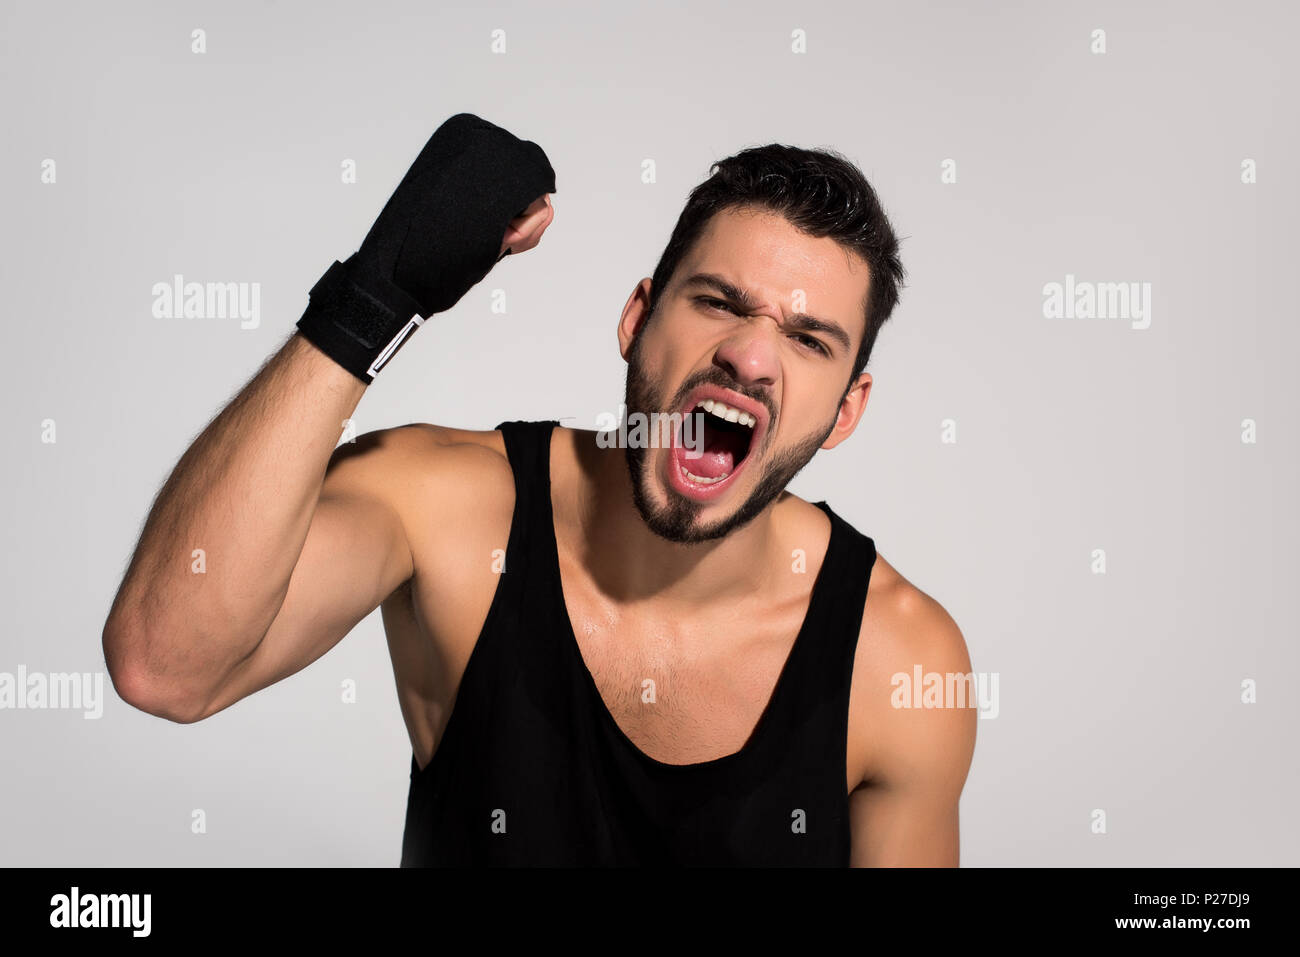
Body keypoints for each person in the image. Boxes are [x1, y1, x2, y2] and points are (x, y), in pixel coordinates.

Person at [102, 113, 976, 866]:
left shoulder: (897, 660)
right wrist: (369, 300)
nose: (751, 356)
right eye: (717, 301)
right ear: (638, 317)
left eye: (810, 340)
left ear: (847, 408)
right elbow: (166, 663)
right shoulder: (447, 509)